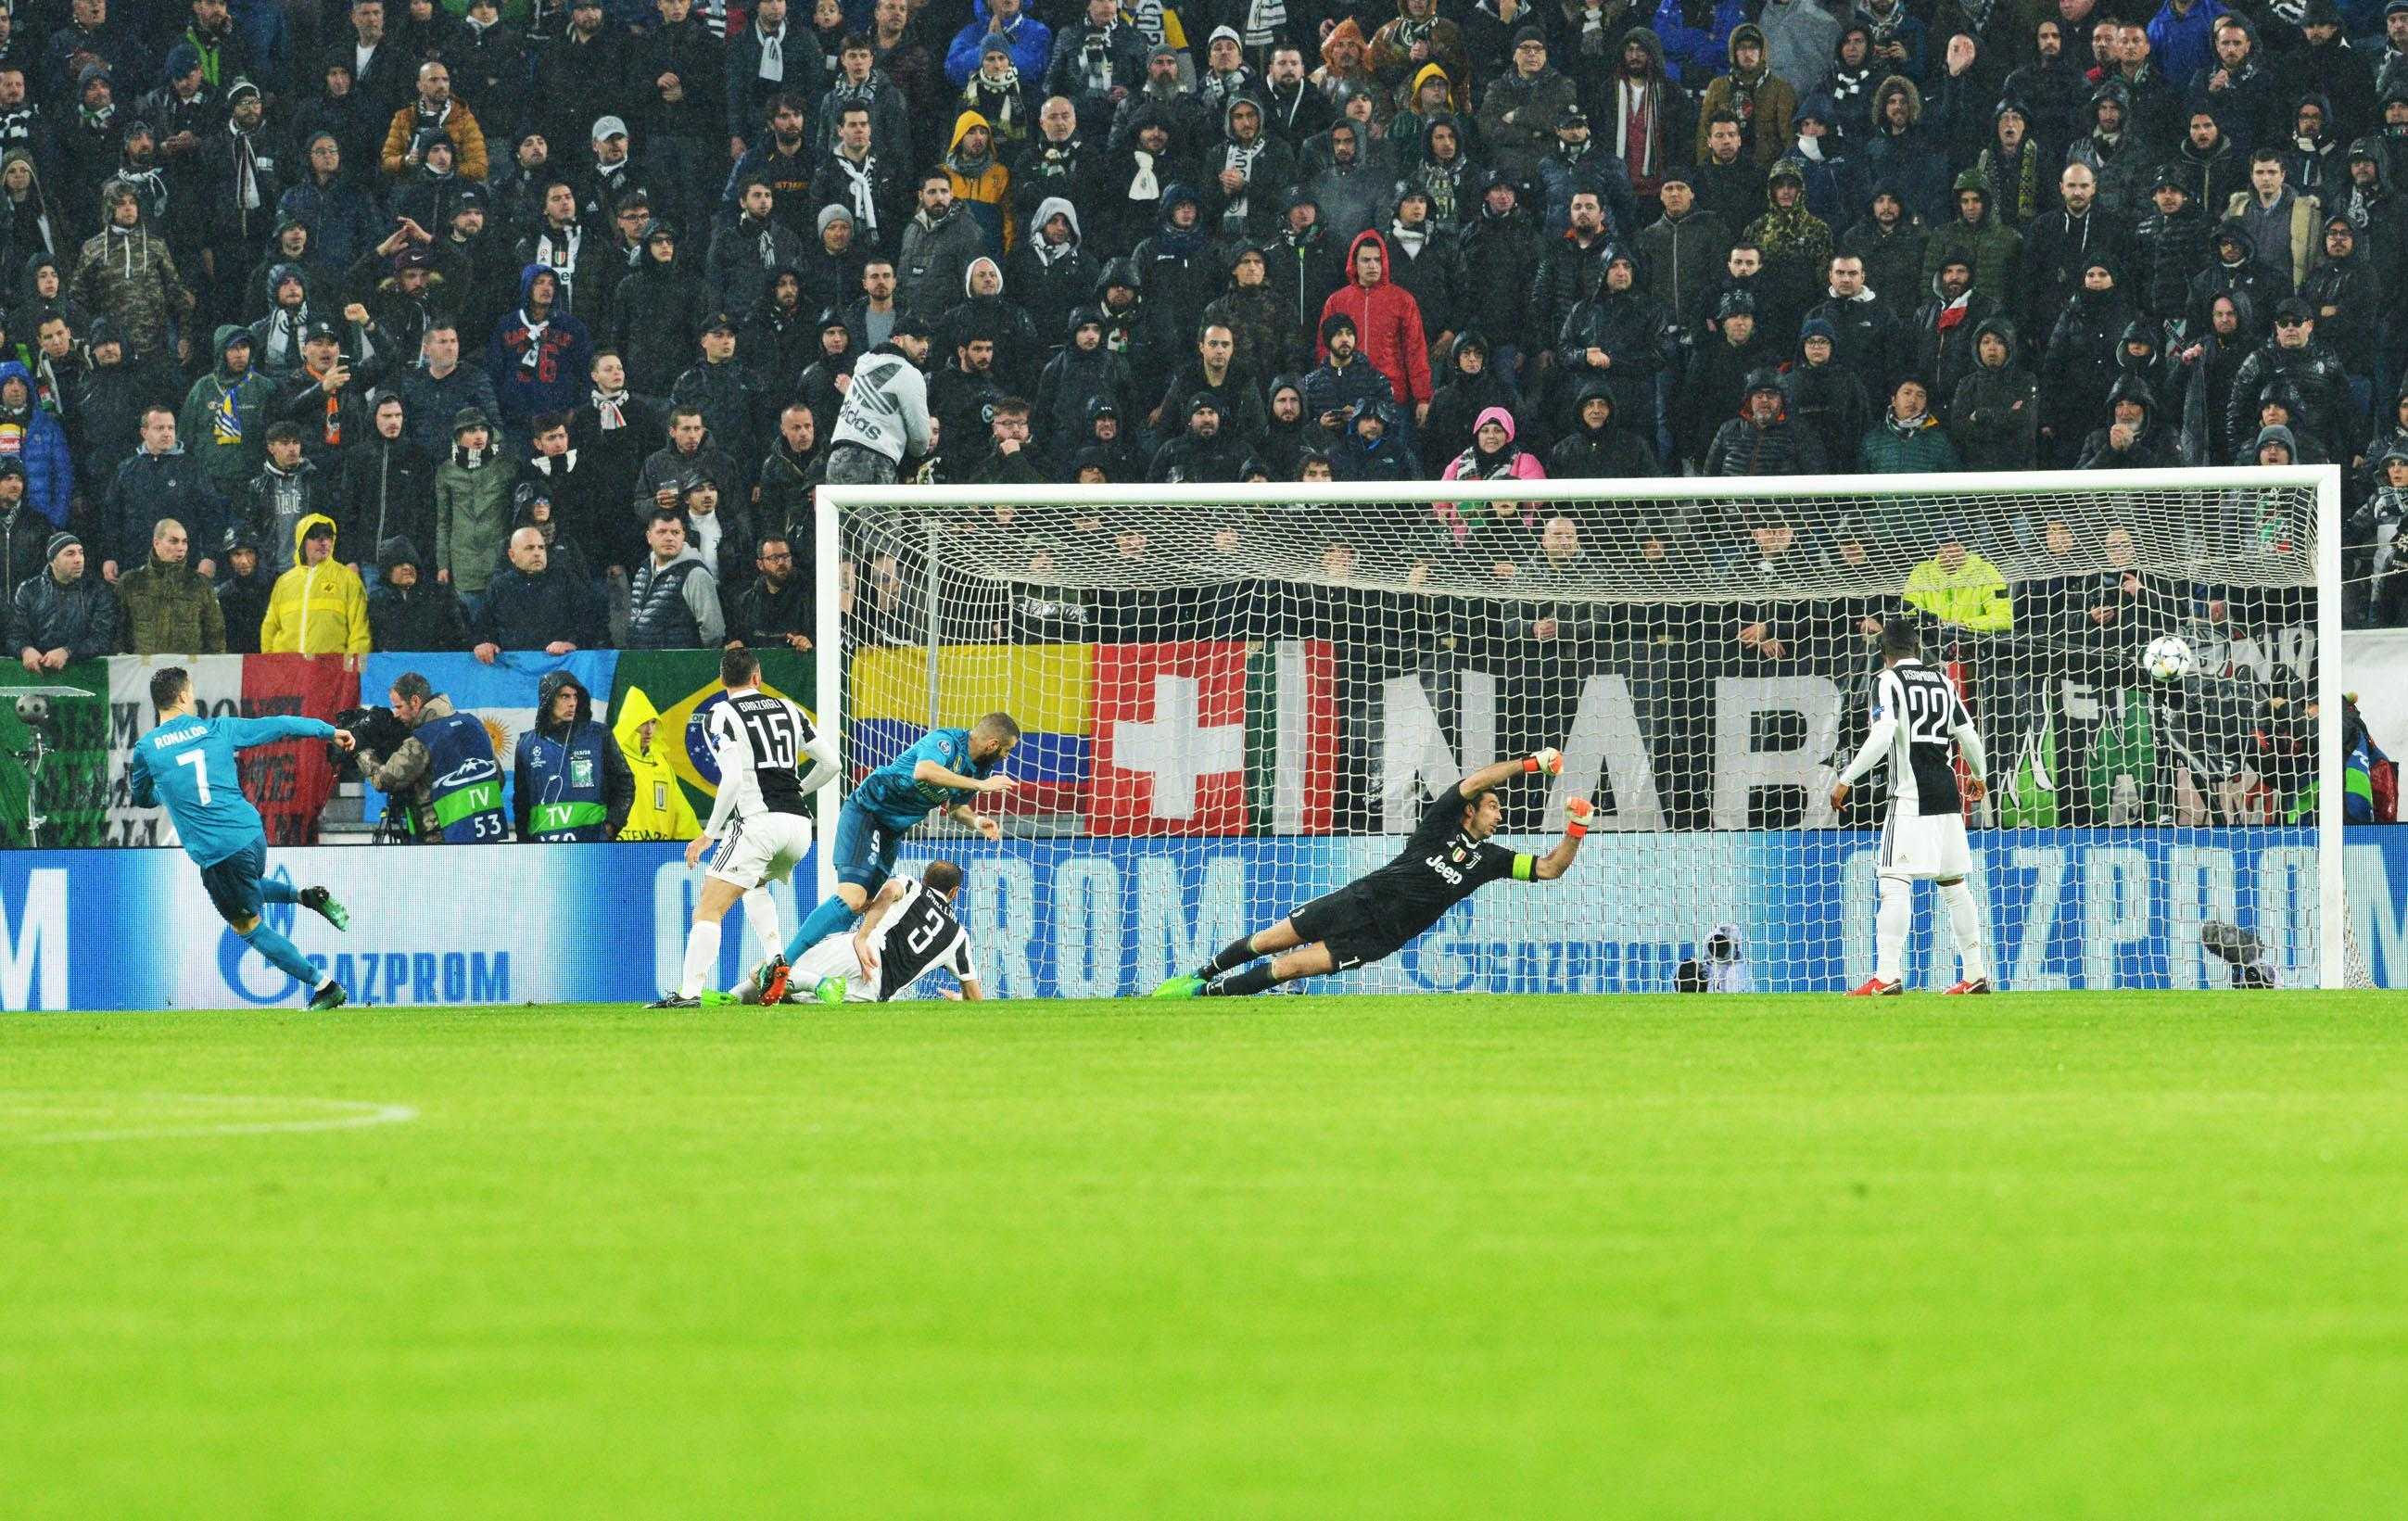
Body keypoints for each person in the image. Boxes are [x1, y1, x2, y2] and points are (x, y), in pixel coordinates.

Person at [1151, 748, 1591, 997]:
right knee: (1268, 941)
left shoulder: (1492, 860)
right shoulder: (1440, 822)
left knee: (1287, 969)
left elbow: (1550, 869)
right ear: (1469, 813)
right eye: (1493, 807)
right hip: (1358, 900)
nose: (1499, 815)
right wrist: (1531, 765)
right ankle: (1200, 975)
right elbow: (1475, 781)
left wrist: (1577, 828)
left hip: (1380, 937)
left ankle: (1202, 998)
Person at [127, 665, 354, 1009]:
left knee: (248, 926)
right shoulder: (217, 729)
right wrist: (327, 731)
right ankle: (306, 896)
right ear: (184, 695)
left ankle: (324, 987)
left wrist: (164, 794)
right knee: (246, 883)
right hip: (251, 834)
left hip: (217, 850)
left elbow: (142, 797)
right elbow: (278, 724)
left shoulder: (146, 749)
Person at [761, 710, 1019, 1002]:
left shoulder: (978, 769)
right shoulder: (946, 741)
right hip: (869, 812)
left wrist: (976, 822)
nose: (1005, 758)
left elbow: (955, 807)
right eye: (1006, 751)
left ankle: (800, 970)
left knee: (865, 906)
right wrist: (982, 786)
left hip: (892, 832)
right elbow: (925, 771)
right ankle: (781, 968)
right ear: (992, 744)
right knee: (852, 899)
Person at [653, 647, 840, 1008]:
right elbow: (831, 763)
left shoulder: (720, 713)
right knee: (755, 885)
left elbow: (734, 778)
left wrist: (710, 833)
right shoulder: (789, 707)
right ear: (758, 677)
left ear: (723, 681)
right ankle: (775, 959)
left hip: (758, 824)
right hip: (800, 827)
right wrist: (798, 789)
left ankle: (690, 993)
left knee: (709, 907)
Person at [1827, 616, 1992, 996]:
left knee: (1892, 880)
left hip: (1911, 794)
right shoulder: (1943, 682)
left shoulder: (1887, 681)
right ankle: (1976, 974)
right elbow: (1967, 733)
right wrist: (1980, 776)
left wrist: (1846, 778)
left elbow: (1883, 733)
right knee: (1953, 884)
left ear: (1884, 654)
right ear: (1917, 650)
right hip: (1948, 792)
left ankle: (1886, 977)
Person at [758, 861, 984, 1004]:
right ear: (954, 892)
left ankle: (815, 984)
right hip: (875, 991)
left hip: (857, 952)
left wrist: (863, 935)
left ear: (925, 879)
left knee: (766, 975)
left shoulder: (912, 885)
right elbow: (975, 997)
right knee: (787, 996)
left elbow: (887, 892)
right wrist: (959, 998)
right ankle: (817, 984)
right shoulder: (959, 937)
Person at [359, 669, 508, 843]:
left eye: (399, 707)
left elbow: (385, 780)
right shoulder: (474, 725)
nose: (397, 714)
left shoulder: (423, 738)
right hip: (487, 834)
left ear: (415, 701)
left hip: (442, 842)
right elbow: (499, 778)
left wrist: (360, 750)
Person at [513, 669, 634, 843]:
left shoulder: (599, 735)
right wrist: (524, 843)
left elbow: (625, 782)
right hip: (544, 850)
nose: (572, 703)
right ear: (547, 699)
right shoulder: (526, 744)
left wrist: (612, 825)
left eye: (575, 697)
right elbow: (521, 802)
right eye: (564, 697)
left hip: (593, 845)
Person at [824, 315, 932, 482]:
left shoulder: (863, 363)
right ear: (898, 340)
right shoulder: (909, 373)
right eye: (917, 339)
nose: (925, 346)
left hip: (836, 458)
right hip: (875, 461)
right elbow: (920, 439)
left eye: (926, 340)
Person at [259, 514, 371, 653]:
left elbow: (359, 632)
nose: (324, 543)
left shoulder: (348, 579)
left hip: (330, 671)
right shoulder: (284, 582)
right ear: (302, 541)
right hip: (287, 671)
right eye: (317, 538)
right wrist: (271, 665)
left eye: (328, 537)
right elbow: (270, 629)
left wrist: (351, 671)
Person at [117, 517, 227, 655]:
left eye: (184, 542)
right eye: (174, 541)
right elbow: (117, 633)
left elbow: (216, 637)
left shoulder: (200, 584)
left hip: (189, 673)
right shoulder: (130, 582)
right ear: (156, 543)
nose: (181, 548)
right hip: (142, 671)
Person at [611, 685, 703, 843]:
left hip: (656, 850)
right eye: (643, 723)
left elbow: (680, 809)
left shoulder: (659, 761)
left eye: (653, 722)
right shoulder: (610, 756)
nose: (649, 730)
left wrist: (699, 842)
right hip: (620, 849)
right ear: (629, 724)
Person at [11, 533, 119, 667]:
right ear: (52, 561)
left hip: (84, 674)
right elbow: (15, 633)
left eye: (81, 553)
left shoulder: (98, 591)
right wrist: (25, 649)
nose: (79, 559)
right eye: (70, 554)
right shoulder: (28, 590)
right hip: (38, 674)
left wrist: (68, 651)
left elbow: (103, 638)